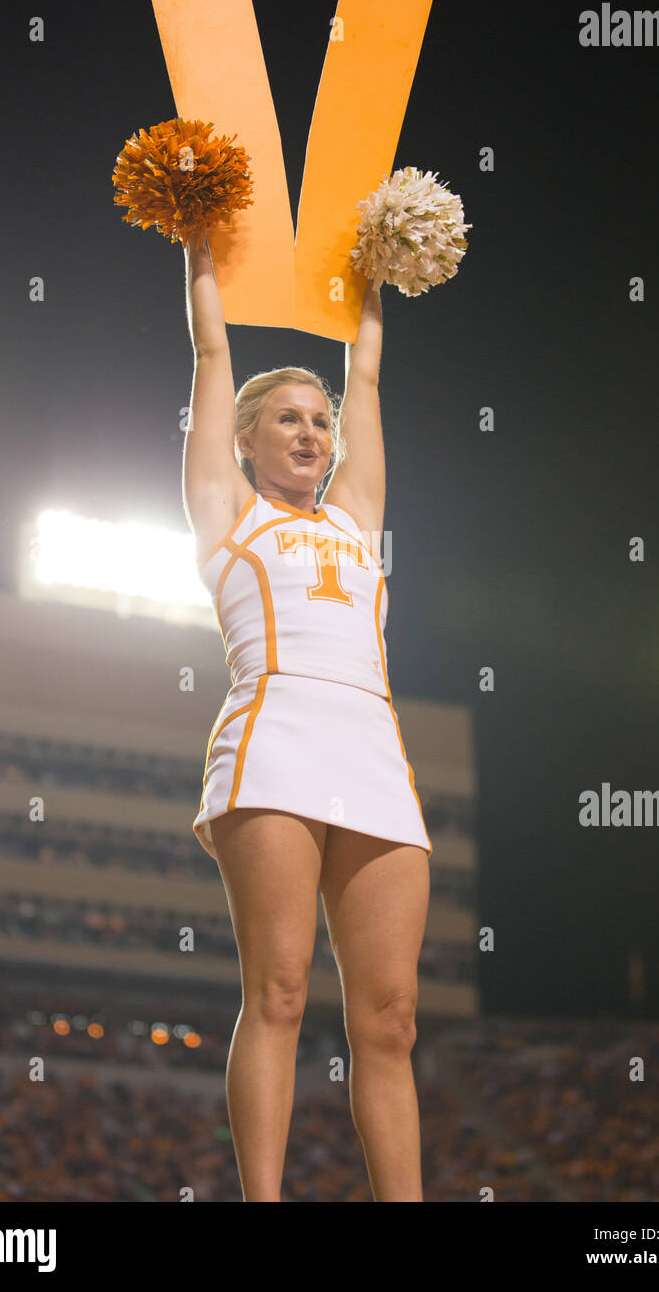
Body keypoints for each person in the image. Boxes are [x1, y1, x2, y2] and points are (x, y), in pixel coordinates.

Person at [182, 237, 432, 1202]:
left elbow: (366, 374)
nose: (312, 434)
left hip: (373, 752)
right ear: (245, 440)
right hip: (272, 744)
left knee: (393, 1019)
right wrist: (199, 245)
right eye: (288, 418)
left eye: (319, 422)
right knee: (279, 993)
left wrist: (376, 275)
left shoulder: (355, 518)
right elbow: (211, 359)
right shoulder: (230, 517)